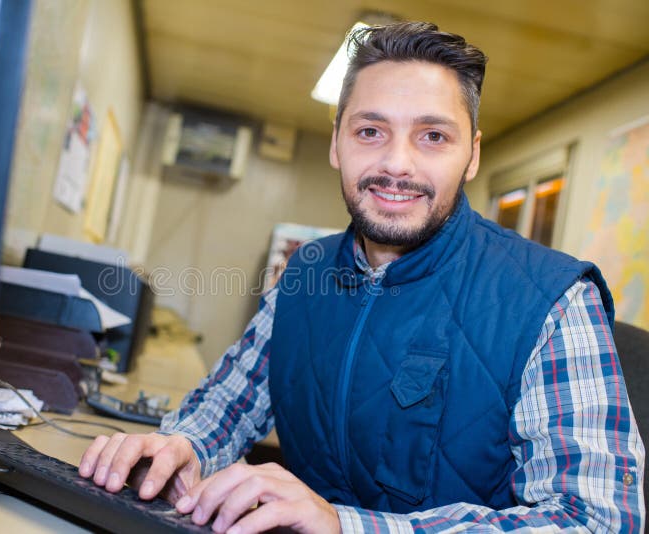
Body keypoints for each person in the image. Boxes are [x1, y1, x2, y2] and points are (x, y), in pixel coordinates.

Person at [79, 21, 645, 533]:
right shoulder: (303, 273)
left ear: (471, 156)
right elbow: (230, 402)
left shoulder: (553, 299)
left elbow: (595, 520)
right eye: (370, 131)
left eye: (433, 136)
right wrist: (183, 446)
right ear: (336, 143)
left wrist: (348, 527)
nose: (397, 164)